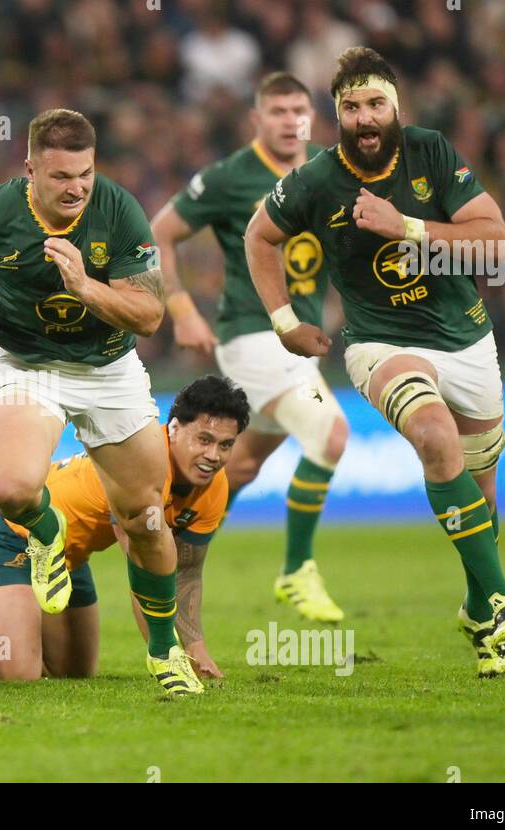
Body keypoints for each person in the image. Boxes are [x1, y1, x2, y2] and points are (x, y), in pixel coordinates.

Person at [0, 109, 201, 695]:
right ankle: (47, 534)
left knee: (148, 519)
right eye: (61, 177)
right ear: (30, 170)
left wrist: (85, 287)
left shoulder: (118, 211)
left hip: (109, 369)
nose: (76, 188)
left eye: (85, 174)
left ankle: (165, 651)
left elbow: (151, 316)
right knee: (12, 489)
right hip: (30, 364)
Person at [244, 47, 505, 676]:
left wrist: (410, 226)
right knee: (433, 434)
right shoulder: (317, 180)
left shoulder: (430, 152)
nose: (365, 118)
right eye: (351, 107)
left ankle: (482, 611)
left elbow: (497, 249)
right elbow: (259, 235)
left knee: (481, 493)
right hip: (381, 343)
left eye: (376, 104)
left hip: (466, 339)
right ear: (336, 114)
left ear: (397, 108)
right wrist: (285, 321)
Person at [154, 72, 349, 622]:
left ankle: (169, 545)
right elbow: (160, 232)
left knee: (237, 468)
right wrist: (182, 308)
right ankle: (296, 570)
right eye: (278, 111)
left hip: (296, 343)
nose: (291, 121)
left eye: (299, 111)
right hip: (251, 334)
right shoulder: (229, 178)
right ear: (256, 121)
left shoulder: (329, 172)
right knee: (330, 433)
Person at [0, 376, 249, 697]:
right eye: (204, 439)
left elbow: (187, 572)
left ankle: (10, 635)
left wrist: (197, 649)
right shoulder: (140, 464)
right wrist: (169, 655)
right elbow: (144, 569)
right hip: (12, 537)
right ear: (174, 428)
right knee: (18, 672)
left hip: (70, 557)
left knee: (75, 672)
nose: (214, 455)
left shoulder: (215, 487)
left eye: (225, 445)